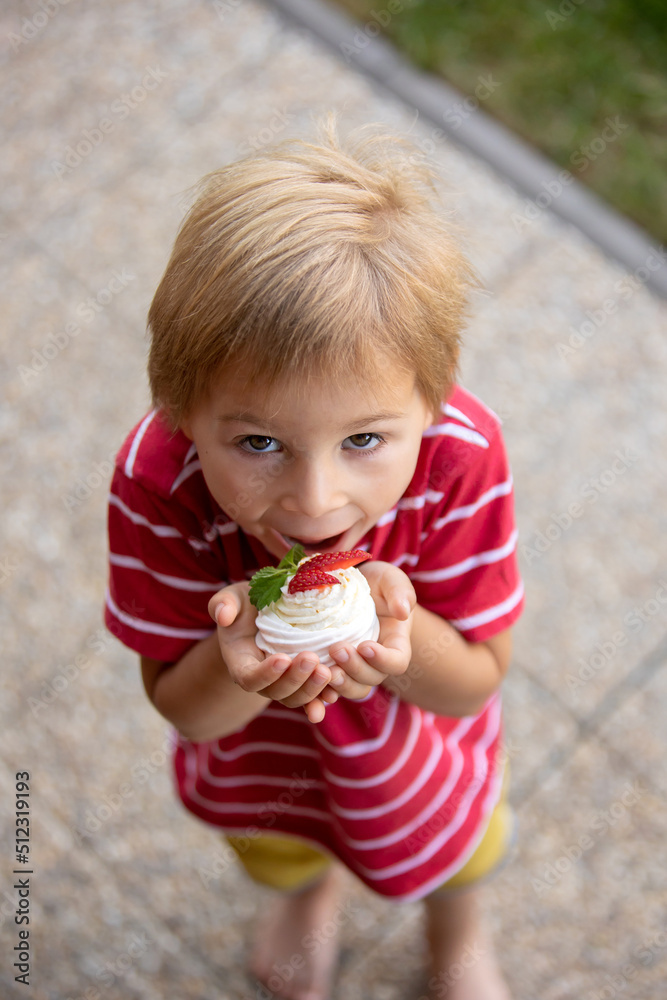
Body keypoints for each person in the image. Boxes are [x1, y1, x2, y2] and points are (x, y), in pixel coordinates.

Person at [105, 116, 524, 1000]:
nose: (315, 500)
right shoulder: (156, 479)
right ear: (182, 410)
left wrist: (401, 644)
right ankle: (309, 899)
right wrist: (236, 661)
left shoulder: (460, 458)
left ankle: (456, 928)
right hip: (264, 773)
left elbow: (475, 680)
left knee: (458, 843)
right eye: (258, 443)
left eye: (365, 438)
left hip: (423, 756)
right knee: (280, 850)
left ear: (433, 395)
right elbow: (188, 713)